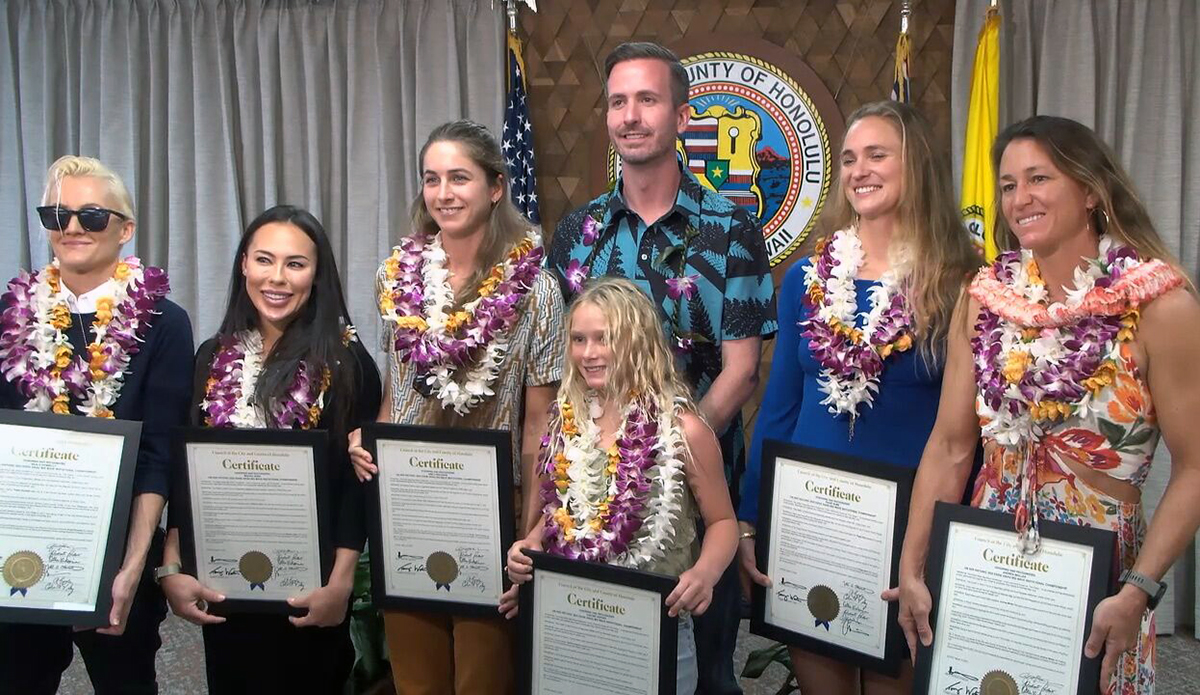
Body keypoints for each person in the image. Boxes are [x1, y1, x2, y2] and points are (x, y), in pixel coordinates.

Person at [892, 115, 1200, 694]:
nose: (1020, 199)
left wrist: (1137, 592)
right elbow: (953, 445)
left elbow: (1197, 468)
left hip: (1101, 575)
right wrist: (912, 567)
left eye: (1039, 179)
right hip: (984, 554)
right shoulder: (985, 300)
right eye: (1008, 185)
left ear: (1090, 190)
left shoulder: (1162, 305)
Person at [545, 41, 776, 694]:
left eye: (647, 99)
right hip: (592, 496)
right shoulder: (577, 233)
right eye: (618, 102)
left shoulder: (730, 229)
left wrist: (667, 456)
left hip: (697, 502)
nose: (630, 116)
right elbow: (563, 364)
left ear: (680, 116)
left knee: (702, 673)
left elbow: (741, 371)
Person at [734, 100, 979, 694]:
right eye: (848, 159)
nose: (858, 170)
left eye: (876, 155)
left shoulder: (960, 282)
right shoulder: (807, 277)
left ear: (914, 164)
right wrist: (749, 519)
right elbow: (780, 408)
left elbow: (965, 435)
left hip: (907, 526)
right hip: (810, 517)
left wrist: (943, 542)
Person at [348, 120, 564, 695]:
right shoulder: (394, 280)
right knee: (415, 676)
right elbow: (397, 388)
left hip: (492, 510)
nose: (444, 193)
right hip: (410, 501)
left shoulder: (536, 288)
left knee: (481, 677)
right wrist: (368, 436)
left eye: (460, 178)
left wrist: (528, 528)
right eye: (432, 179)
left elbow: (539, 421)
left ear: (495, 187)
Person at [157, 204, 382, 692]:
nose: (277, 278)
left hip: (311, 589)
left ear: (317, 275)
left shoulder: (347, 363)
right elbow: (186, 472)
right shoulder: (212, 356)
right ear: (243, 264)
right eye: (264, 260)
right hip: (225, 581)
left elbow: (355, 486)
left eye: (295, 264)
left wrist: (341, 584)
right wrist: (172, 566)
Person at [0, 155, 194, 693]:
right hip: (24, 547)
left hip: (120, 548)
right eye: (57, 215)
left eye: (91, 215)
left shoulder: (163, 323)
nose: (73, 228)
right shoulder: (10, 315)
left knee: (125, 683)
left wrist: (132, 567)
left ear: (125, 229)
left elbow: (158, 453)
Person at [503, 277, 739, 695]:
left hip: (653, 626)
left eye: (603, 339)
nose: (589, 353)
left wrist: (706, 571)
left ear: (638, 341)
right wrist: (531, 546)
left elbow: (722, 521)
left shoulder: (683, 430)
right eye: (578, 339)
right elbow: (558, 510)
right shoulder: (565, 424)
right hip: (571, 623)